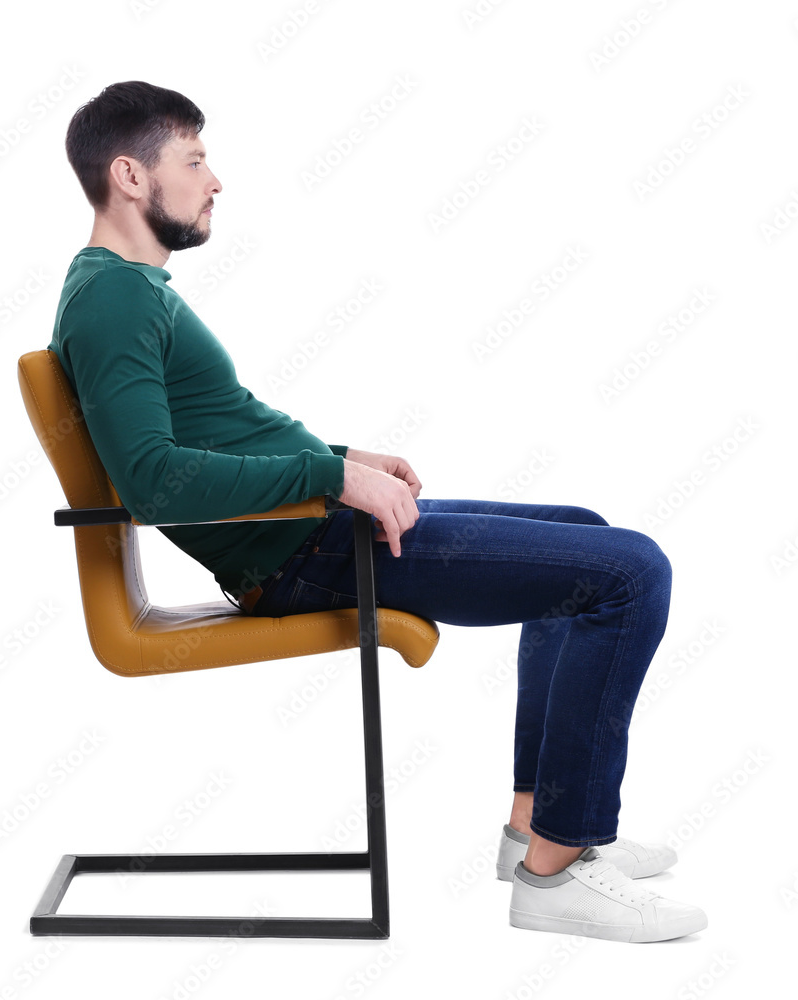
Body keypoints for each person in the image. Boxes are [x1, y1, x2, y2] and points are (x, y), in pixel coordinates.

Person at [49, 80, 707, 944]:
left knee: (584, 534)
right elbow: (152, 480)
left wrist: (345, 461)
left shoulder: (130, 288)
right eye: (196, 159)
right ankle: (558, 872)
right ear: (131, 176)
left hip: (311, 529)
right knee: (629, 573)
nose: (216, 181)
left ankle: (534, 830)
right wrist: (331, 478)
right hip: (300, 556)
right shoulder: (113, 298)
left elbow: (223, 430)